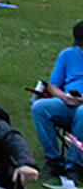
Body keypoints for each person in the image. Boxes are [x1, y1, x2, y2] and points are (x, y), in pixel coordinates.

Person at [31, 21, 83, 176]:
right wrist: (64, 97)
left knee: (82, 112)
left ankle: (74, 163)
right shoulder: (67, 55)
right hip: (68, 103)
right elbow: (53, 85)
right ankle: (53, 160)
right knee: (39, 107)